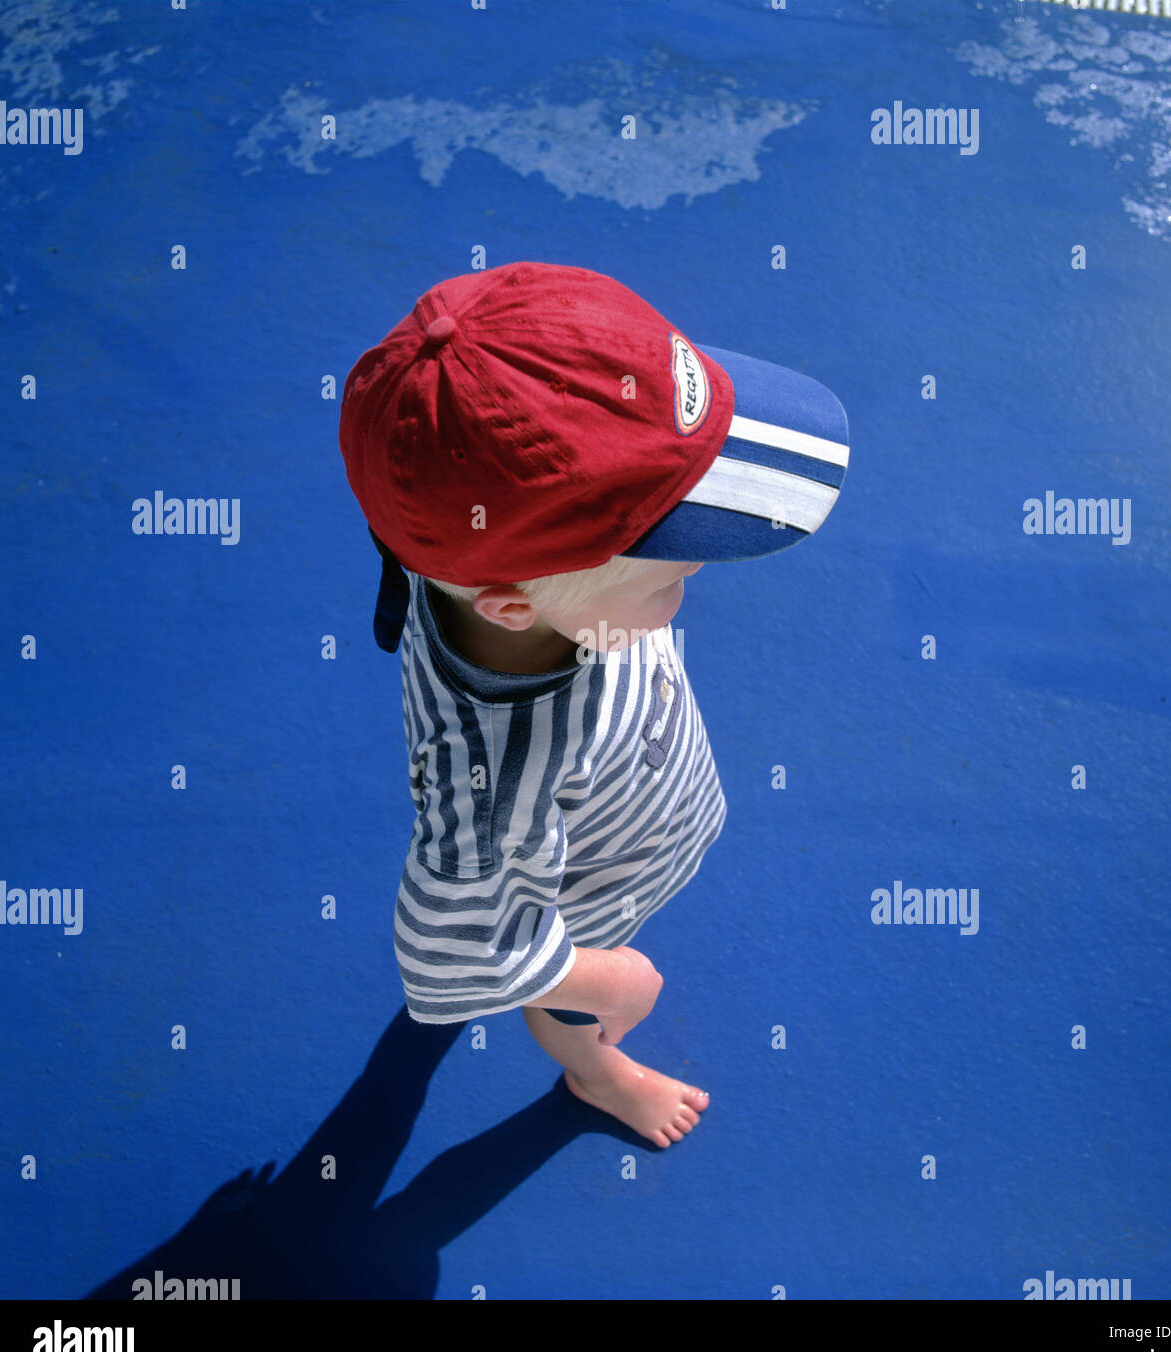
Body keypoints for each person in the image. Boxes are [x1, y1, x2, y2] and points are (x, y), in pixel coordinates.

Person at [339, 260, 849, 1149]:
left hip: (627, 793)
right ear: (511, 603)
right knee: (564, 1010)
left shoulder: (515, 592)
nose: (689, 592)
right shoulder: (501, 783)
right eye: (675, 574)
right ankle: (595, 1075)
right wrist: (594, 978)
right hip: (582, 888)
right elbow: (445, 952)